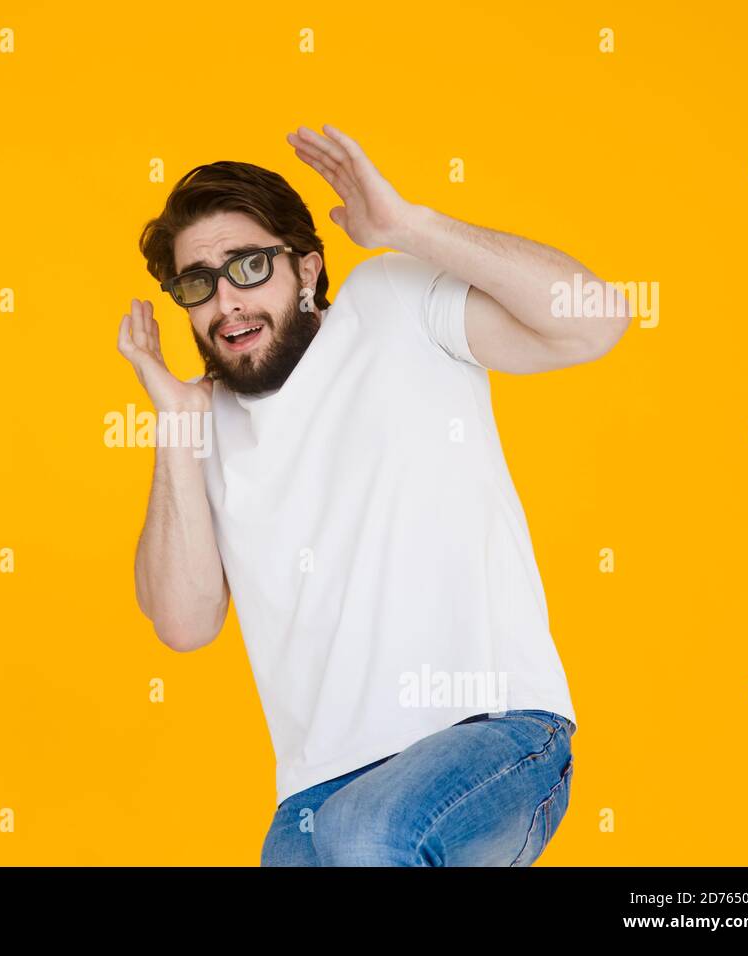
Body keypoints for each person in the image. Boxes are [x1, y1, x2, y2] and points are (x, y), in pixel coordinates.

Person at [117, 124, 629, 866]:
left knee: (367, 835)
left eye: (250, 267)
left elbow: (596, 322)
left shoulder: (390, 304)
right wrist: (176, 424)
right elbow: (183, 623)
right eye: (198, 283)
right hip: (316, 793)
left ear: (307, 267)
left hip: (492, 735)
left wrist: (408, 227)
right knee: (342, 832)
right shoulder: (205, 426)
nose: (226, 302)